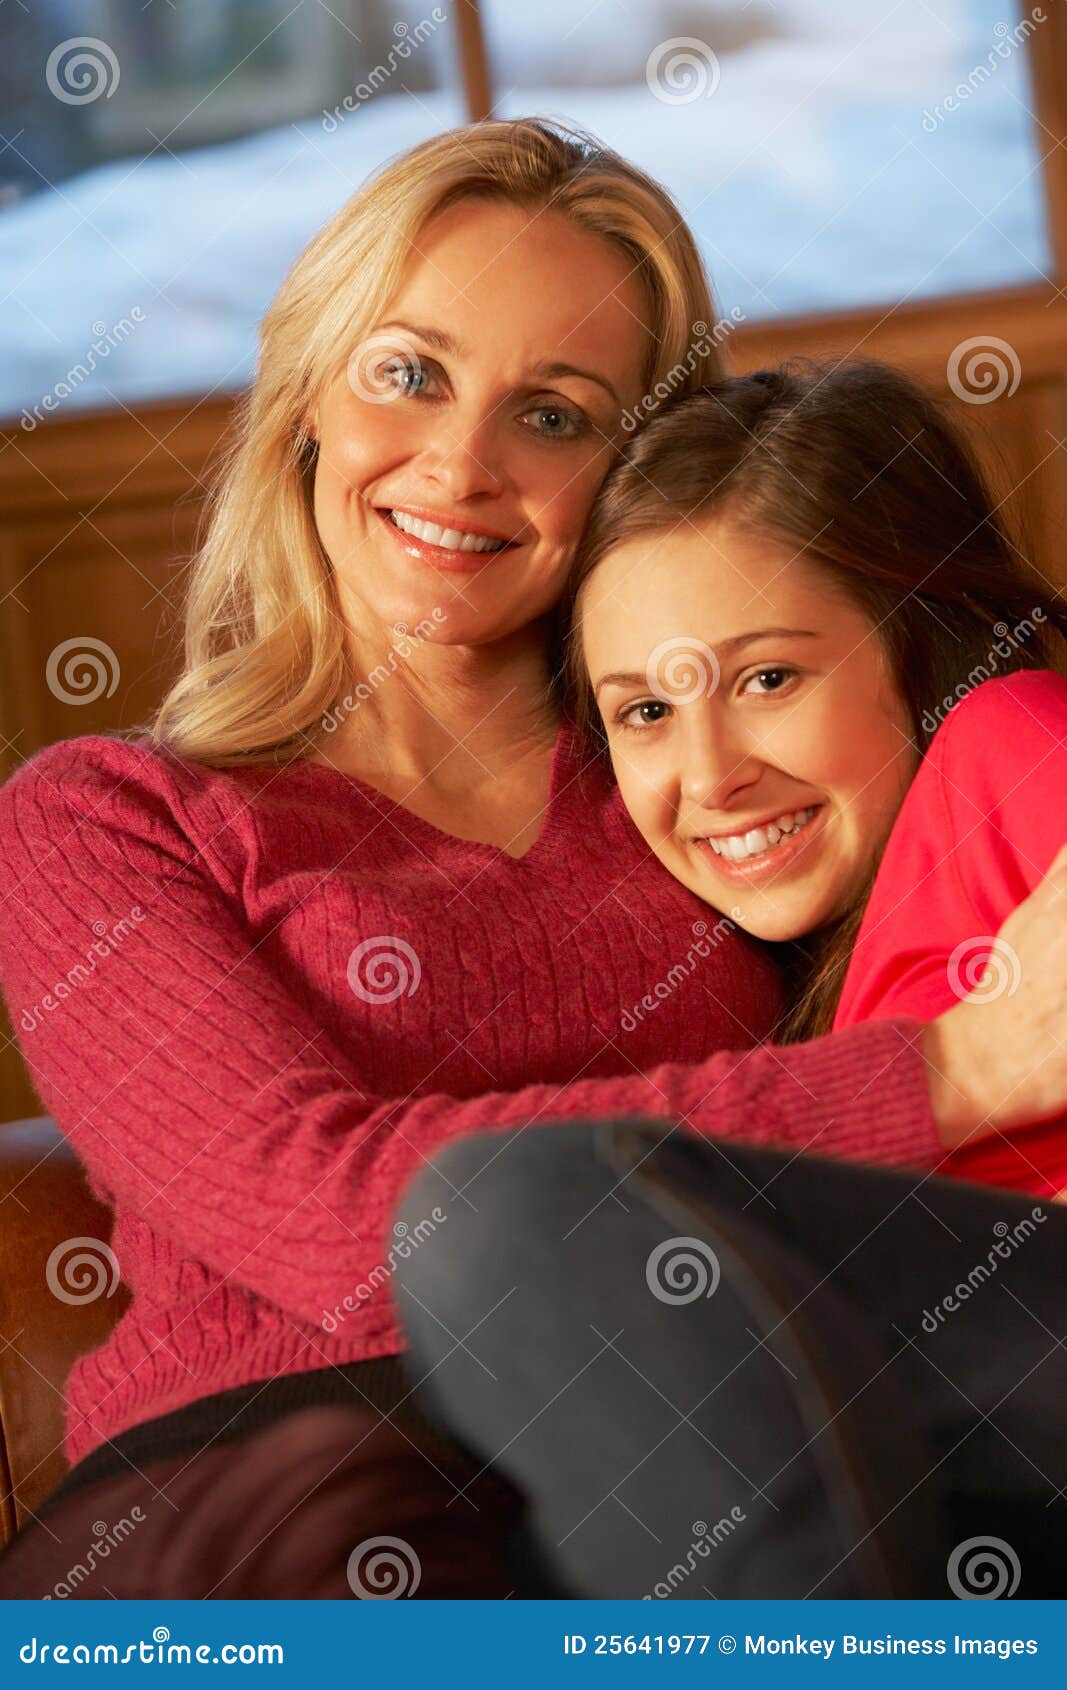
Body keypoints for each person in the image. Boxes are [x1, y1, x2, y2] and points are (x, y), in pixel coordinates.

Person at [0, 124, 1065, 1601]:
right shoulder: (107, 819)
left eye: (554, 415)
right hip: (295, 1479)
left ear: (631, 477)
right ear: (308, 391)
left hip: (729, 1438)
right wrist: (954, 1068)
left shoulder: (700, 795)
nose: (460, 461)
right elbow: (335, 1229)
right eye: (407, 371)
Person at [568, 361, 1067, 1196]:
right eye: (647, 712)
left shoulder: (1008, 743)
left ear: (920, 641)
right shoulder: (776, 1003)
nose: (710, 777)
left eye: (767, 679)